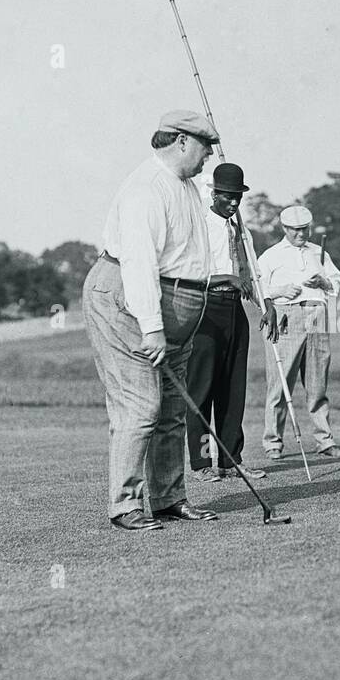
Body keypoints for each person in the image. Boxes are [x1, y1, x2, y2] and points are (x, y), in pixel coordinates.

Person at [82, 110, 222, 531]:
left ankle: (168, 498)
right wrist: (153, 328)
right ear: (181, 141)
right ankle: (125, 505)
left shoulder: (187, 186)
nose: (209, 155)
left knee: (172, 410)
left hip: (172, 307)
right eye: (204, 146)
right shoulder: (147, 188)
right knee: (141, 407)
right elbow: (139, 265)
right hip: (130, 301)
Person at [185, 163, 269, 483]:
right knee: (202, 388)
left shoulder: (240, 229)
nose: (233, 203)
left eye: (237, 197)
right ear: (214, 193)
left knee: (233, 391)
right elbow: (190, 274)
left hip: (236, 311)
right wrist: (227, 278)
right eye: (227, 197)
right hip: (206, 310)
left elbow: (253, 273)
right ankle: (202, 462)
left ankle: (233, 460)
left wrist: (267, 305)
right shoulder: (199, 225)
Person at [257, 205, 340, 459]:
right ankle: (273, 443)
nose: (300, 234)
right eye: (295, 230)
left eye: (304, 229)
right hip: (286, 316)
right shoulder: (271, 255)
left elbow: (335, 281)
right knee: (279, 384)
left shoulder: (319, 252)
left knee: (317, 383)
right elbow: (256, 288)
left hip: (317, 315)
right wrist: (279, 291)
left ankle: (325, 441)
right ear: (284, 229)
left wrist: (323, 282)